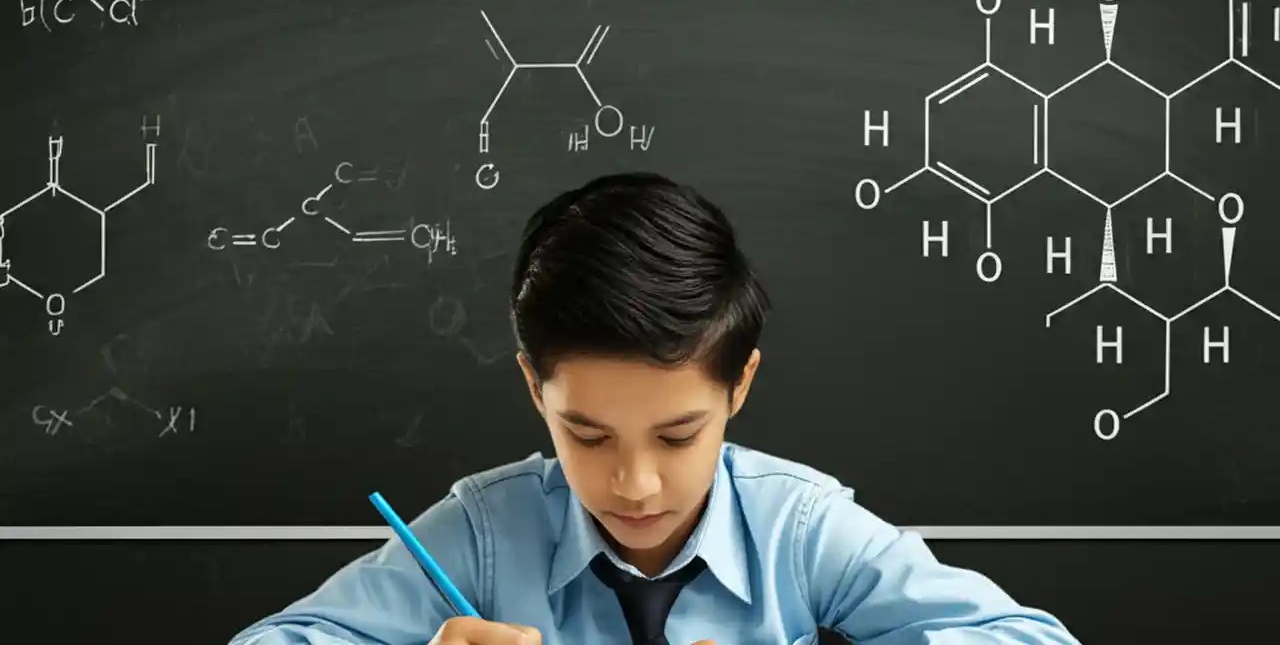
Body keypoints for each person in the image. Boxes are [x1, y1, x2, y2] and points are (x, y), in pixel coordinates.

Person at [228, 172, 1080, 645]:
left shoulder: (796, 529)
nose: (634, 484)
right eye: (586, 434)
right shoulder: (485, 534)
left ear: (739, 386)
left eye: (678, 436)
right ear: (534, 389)